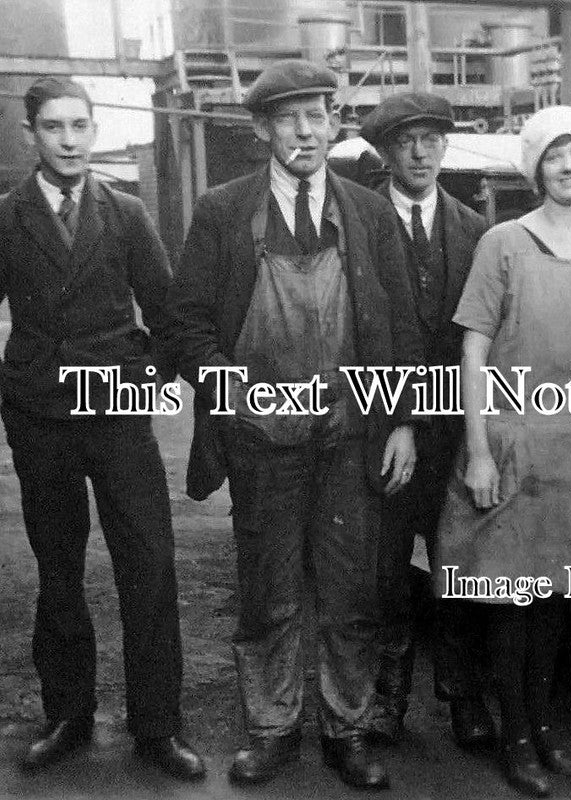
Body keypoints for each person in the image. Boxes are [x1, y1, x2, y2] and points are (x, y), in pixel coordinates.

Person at [169, 59, 424, 790]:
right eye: (288, 118)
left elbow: (400, 326)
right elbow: (183, 323)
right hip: (261, 442)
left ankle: (348, 731)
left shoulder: (368, 213)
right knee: (270, 592)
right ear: (261, 130)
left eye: (317, 115)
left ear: (334, 122)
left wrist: (403, 419)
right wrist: (231, 390)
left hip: (350, 435)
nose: (305, 131)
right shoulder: (223, 210)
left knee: (350, 595)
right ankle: (273, 730)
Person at [0, 77, 205, 780]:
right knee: (58, 569)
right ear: (32, 134)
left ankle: (158, 725)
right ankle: (67, 714)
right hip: (40, 418)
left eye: (79, 126)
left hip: (116, 415)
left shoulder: (124, 213)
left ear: (93, 131)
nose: (68, 140)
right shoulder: (8, 216)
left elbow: (169, 310)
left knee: (146, 562)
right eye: (54, 127)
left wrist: (143, 379)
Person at [435, 105, 571, 798]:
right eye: (554, 155)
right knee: (511, 599)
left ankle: (543, 731)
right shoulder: (504, 242)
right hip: (513, 438)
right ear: (535, 169)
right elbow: (473, 344)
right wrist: (479, 448)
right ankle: (514, 738)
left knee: (555, 599)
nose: (568, 166)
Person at [357, 92, 495, 749]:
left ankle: (463, 696)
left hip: (453, 431)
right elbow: (358, 333)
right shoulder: (356, 219)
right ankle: (385, 700)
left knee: (458, 563)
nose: (419, 152)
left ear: (445, 146)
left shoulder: (474, 229)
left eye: (431, 139)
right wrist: (397, 419)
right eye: (405, 141)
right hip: (380, 427)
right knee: (383, 567)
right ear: (385, 152)